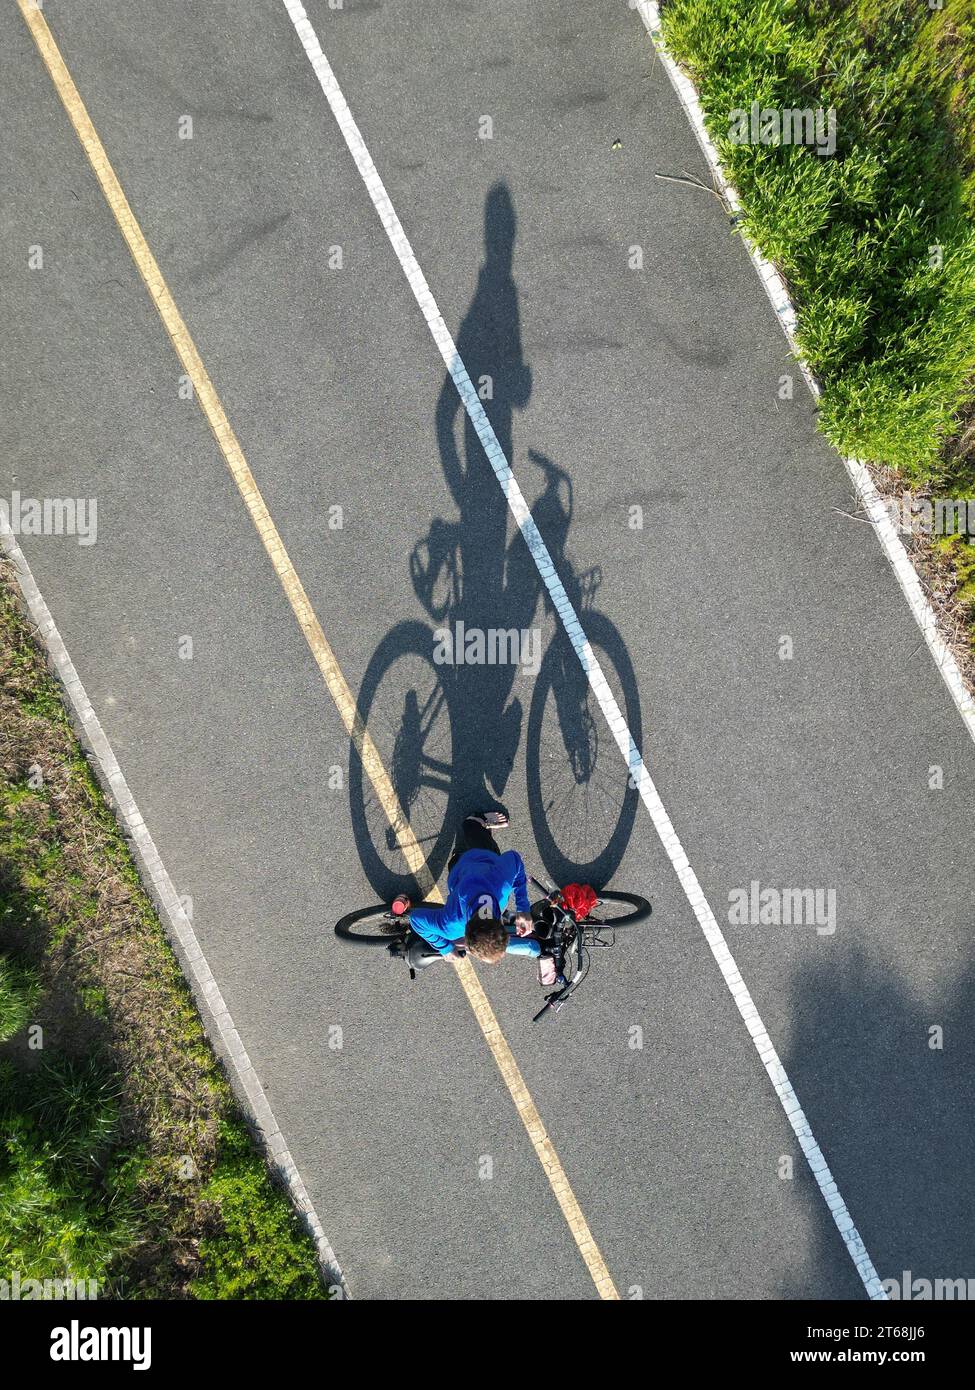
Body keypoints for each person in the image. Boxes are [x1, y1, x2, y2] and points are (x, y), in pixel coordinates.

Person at [404, 812, 550, 971]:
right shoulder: (451, 925)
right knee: (468, 838)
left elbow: (515, 859)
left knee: (480, 838)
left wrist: (523, 909)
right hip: (457, 867)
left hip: (483, 856)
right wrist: (445, 949)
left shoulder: (501, 885)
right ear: (466, 936)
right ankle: (473, 826)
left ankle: (477, 824)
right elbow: (416, 920)